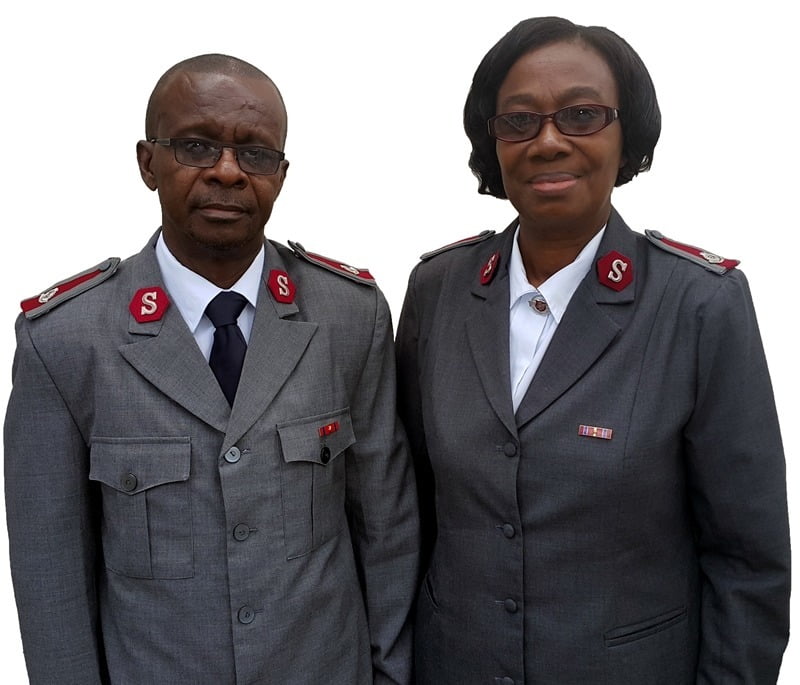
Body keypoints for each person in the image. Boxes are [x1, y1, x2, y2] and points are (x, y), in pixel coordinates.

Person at [396, 16, 790, 685]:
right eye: (518, 121)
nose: (548, 141)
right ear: (493, 144)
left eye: (581, 115)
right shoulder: (438, 291)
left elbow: (747, 562)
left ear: (625, 133)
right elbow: (409, 513)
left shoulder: (699, 304)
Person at [4, 53, 418, 685]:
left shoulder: (347, 317)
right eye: (197, 146)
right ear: (148, 162)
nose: (228, 172)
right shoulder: (65, 341)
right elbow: (50, 577)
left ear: (281, 174)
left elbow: (386, 530)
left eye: (255, 154)